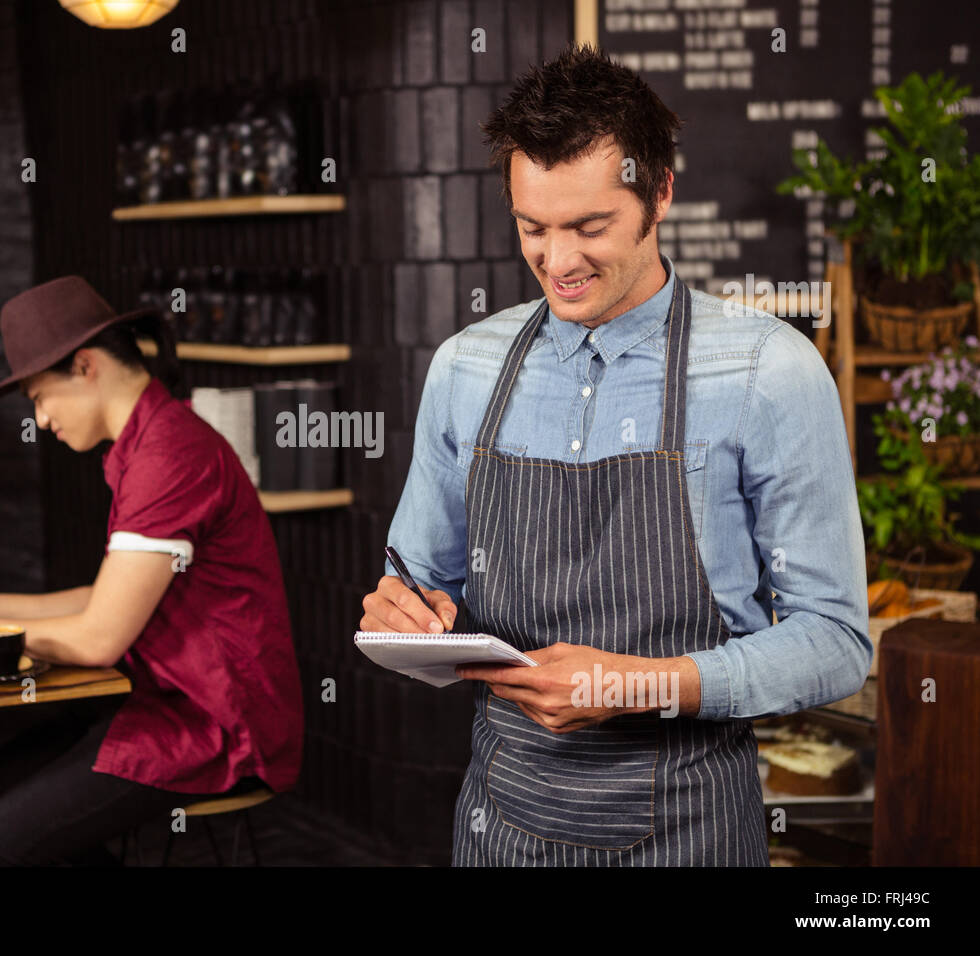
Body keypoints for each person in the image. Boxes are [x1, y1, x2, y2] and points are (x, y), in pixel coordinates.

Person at [359, 44, 870, 866]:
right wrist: (404, 614)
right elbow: (423, 578)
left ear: (659, 191)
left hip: (689, 824)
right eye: (533, 227)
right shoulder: (465, 367)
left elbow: (836, 641)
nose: (558, 263)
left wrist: (631, 685)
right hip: (501, 819)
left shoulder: (766, 372)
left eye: (590, 227)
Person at [0, 275, 303, 865]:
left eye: (38, 398)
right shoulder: (149, 442)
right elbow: (104, 600)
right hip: (169, 699)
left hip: (215, 720)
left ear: (85, 366)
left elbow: (101, 637)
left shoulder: (168, 456)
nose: (41, 421)